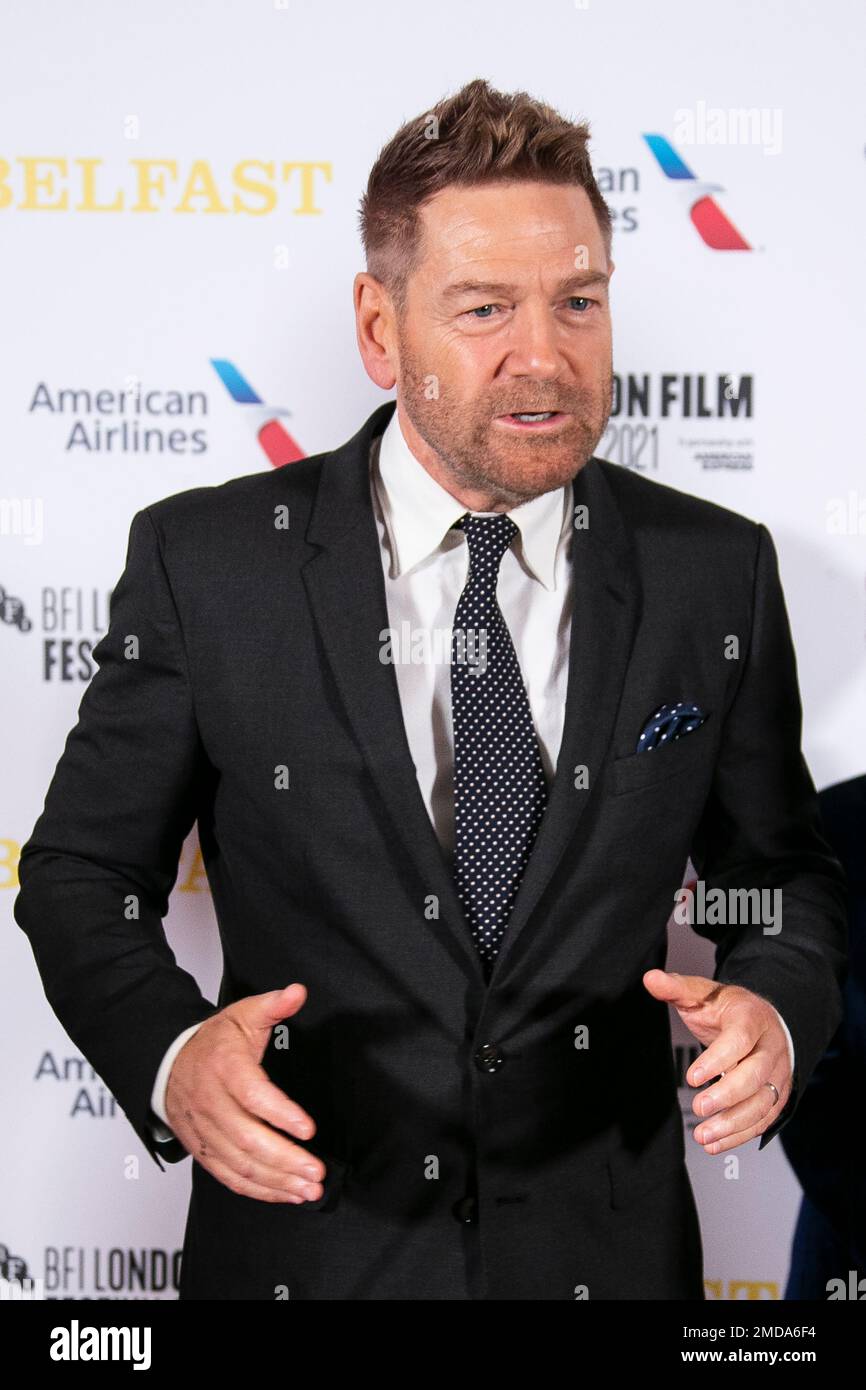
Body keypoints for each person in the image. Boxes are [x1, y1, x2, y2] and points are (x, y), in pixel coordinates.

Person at [14, 78, 847, 1300]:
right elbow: (83, 875)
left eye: (577, 302)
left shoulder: (711, 572)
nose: (543, 356)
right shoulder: (210, 566)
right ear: (377, 326)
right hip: (307, 1249)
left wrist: (775, 1005)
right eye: (482, 309)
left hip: (607, 1266)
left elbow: (777, 876)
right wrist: (175, 1050)